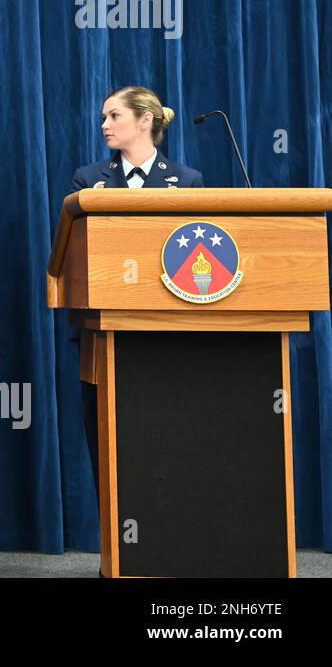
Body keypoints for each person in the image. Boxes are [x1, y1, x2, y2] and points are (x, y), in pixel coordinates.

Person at [70, 85, 204, 510]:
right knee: (112, 443)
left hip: (169, 334)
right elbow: (75, 253)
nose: (104, 125)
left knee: (167, 442)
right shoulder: (89, 181)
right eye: (104, 118)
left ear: (145, 121)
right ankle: (117, 546)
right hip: (106, 331)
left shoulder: (186, 182)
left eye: (114, 116)